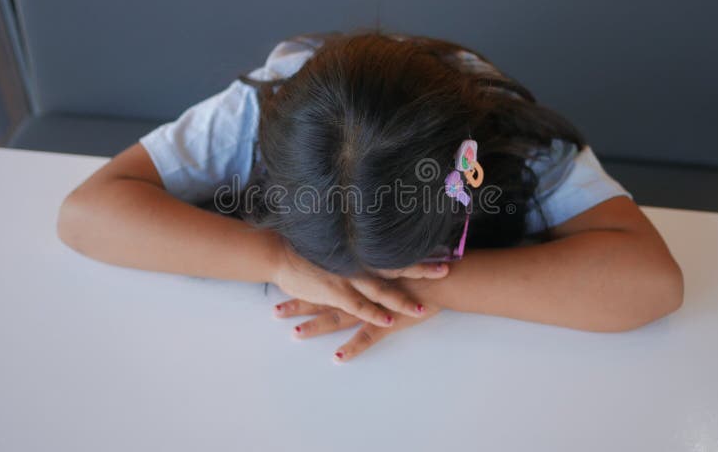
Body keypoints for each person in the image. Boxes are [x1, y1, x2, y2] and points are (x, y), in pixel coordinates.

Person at [57, 28, 683, 363]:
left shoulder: (511, 136)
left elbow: (651, 283)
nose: (358, 288)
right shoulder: (256, 109)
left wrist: (419, 288)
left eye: (395, 264)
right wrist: (276, 260)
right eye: (349, 274)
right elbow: (87, 213)